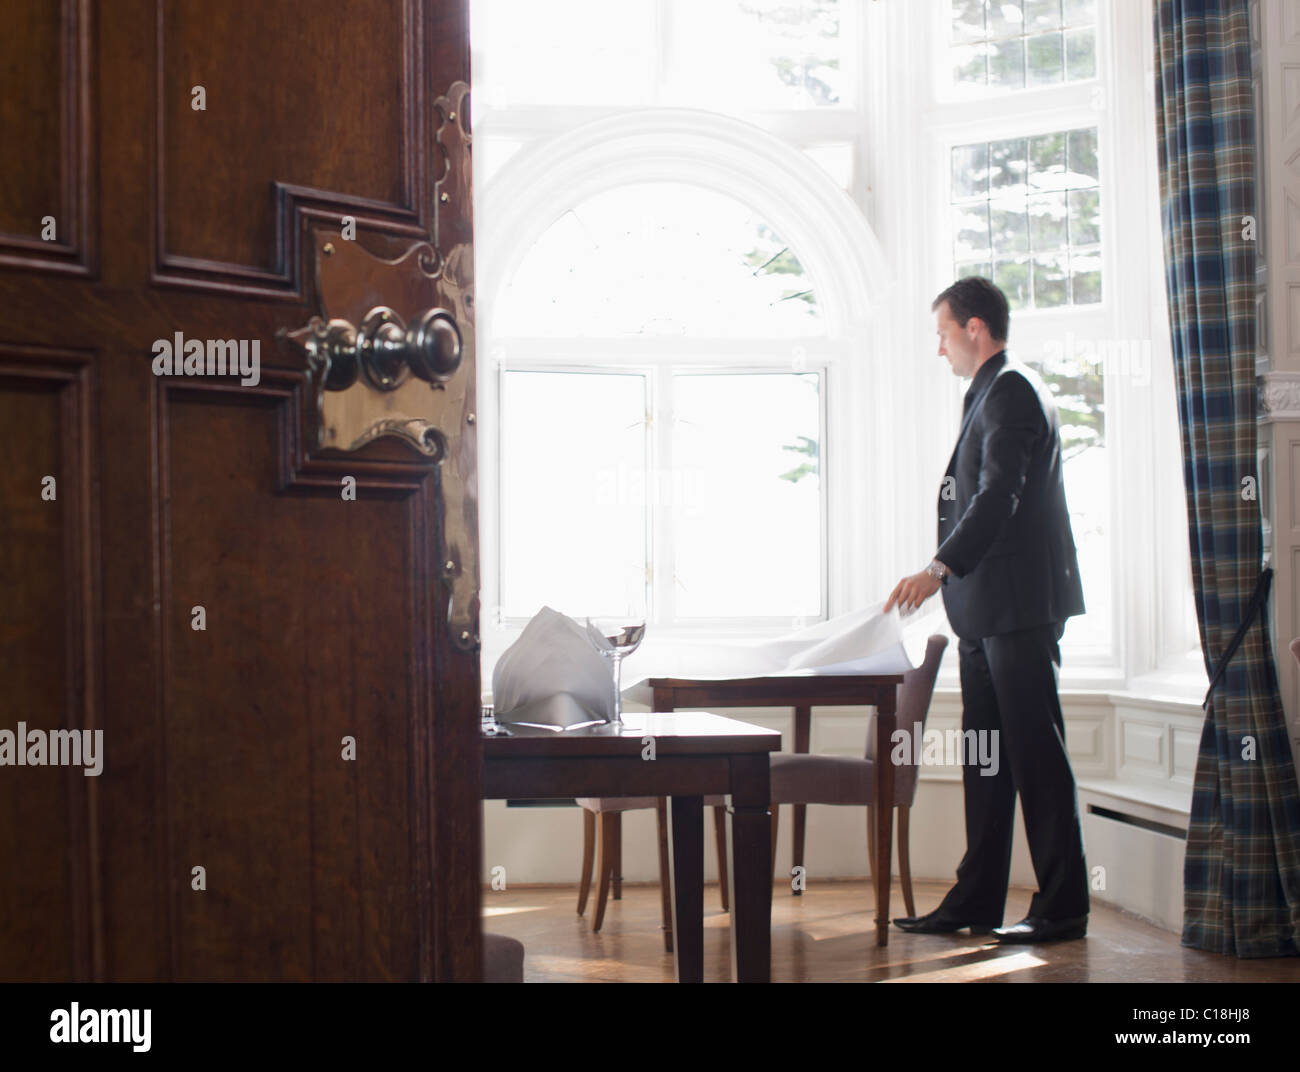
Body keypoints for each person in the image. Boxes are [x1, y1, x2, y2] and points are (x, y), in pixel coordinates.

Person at [884, 276, 1090, 943]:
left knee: (1035, 758)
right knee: (988, 758)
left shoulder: (1012, 391)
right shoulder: (994, 393)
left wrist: (938, 566)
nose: (940, 350)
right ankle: (974, 903)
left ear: (975, 328)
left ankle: (1062, 908)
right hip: (983, 611)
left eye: (943, 334)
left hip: (1017, 608)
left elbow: (999, 494)